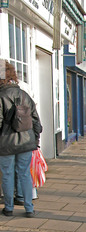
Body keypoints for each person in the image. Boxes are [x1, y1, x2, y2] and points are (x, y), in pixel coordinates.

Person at [0, 60, 42, 218]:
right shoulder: (25, 95)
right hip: (26, 142)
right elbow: (36, 121)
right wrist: (35, 140)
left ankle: (9, 208)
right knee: (25, 173)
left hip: (5, 144)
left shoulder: (1, 96)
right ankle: (29, 208)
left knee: (7, 174)